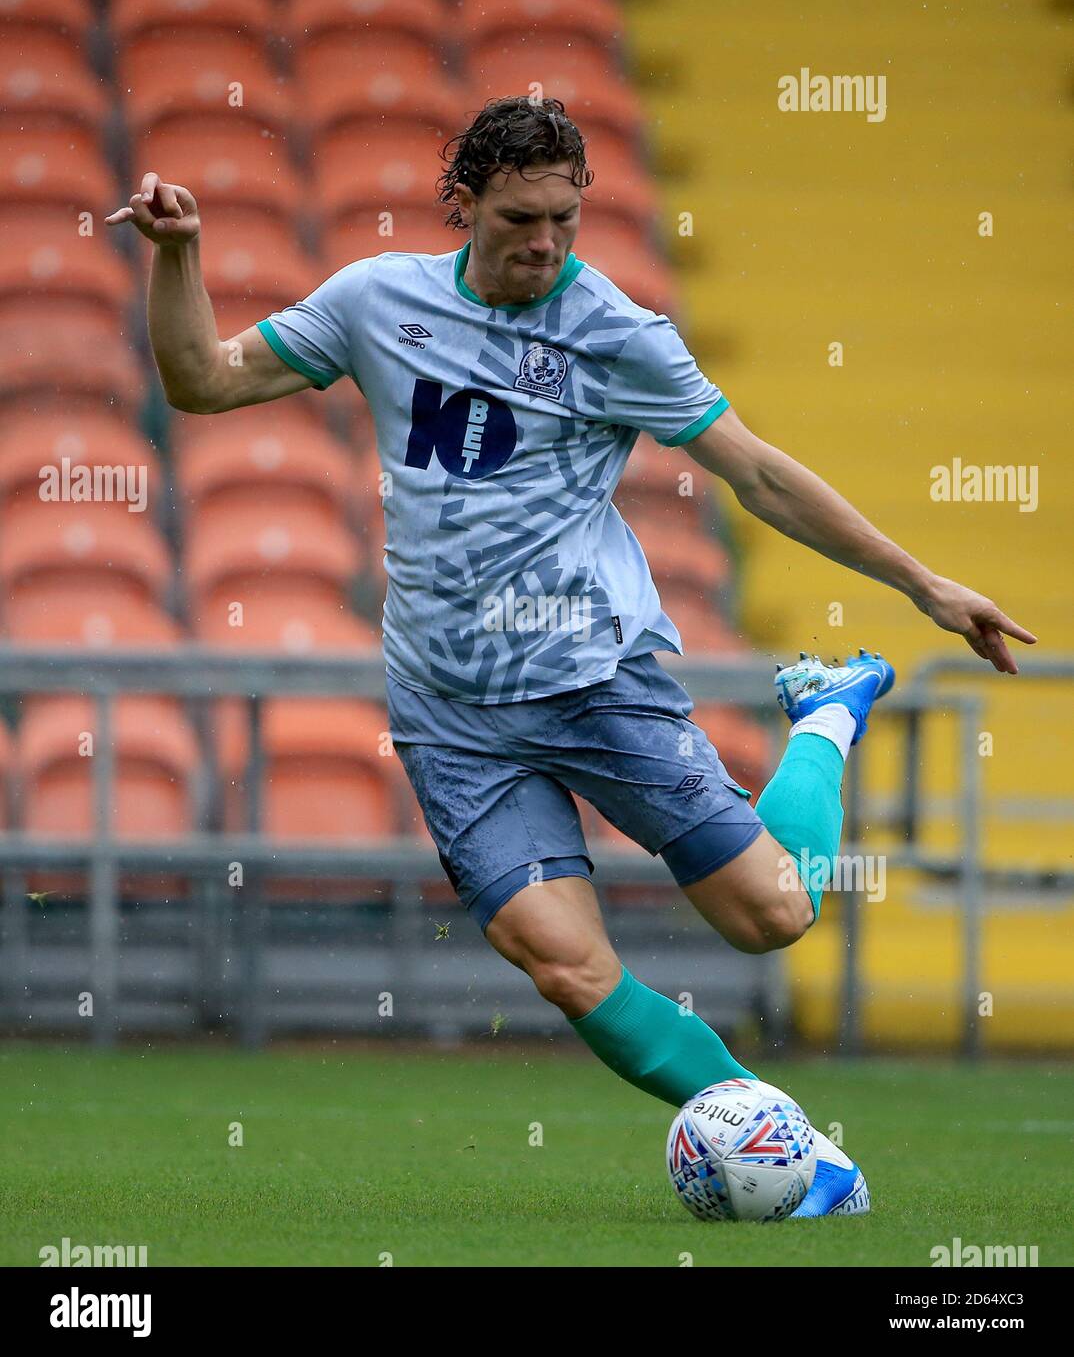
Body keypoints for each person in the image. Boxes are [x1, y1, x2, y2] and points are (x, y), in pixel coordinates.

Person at [107, 96, 1035, 1217]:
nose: (545, 242)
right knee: (564, 964)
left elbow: (760, 473)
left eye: (565, 218)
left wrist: (923, 583)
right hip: (451, 709)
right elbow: (201, 378)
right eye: (519, 219)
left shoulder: (615, 330)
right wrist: (181, 254)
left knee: (774, 915)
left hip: (595, 680)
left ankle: (828, 714)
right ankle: (796, 1156)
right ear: (464, 206)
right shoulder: (375, 300)